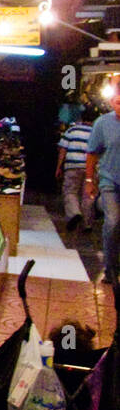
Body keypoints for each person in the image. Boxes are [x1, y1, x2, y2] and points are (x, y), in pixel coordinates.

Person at [83, 88, 120, 282]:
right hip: (110, 181)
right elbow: (92, 153)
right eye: (117, 102)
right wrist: (90, 181)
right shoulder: (103, 123)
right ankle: (110, 269)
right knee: (112, 222)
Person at [58, 105, 98, 233]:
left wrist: (59, 167)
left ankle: (75, 213)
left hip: (72, 166)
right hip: (90, 168)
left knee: (70, 192)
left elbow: (63, 149)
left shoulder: (72, 130)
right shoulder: (96, 133)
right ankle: (87, 224)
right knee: (88, 195)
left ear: (81, 117)